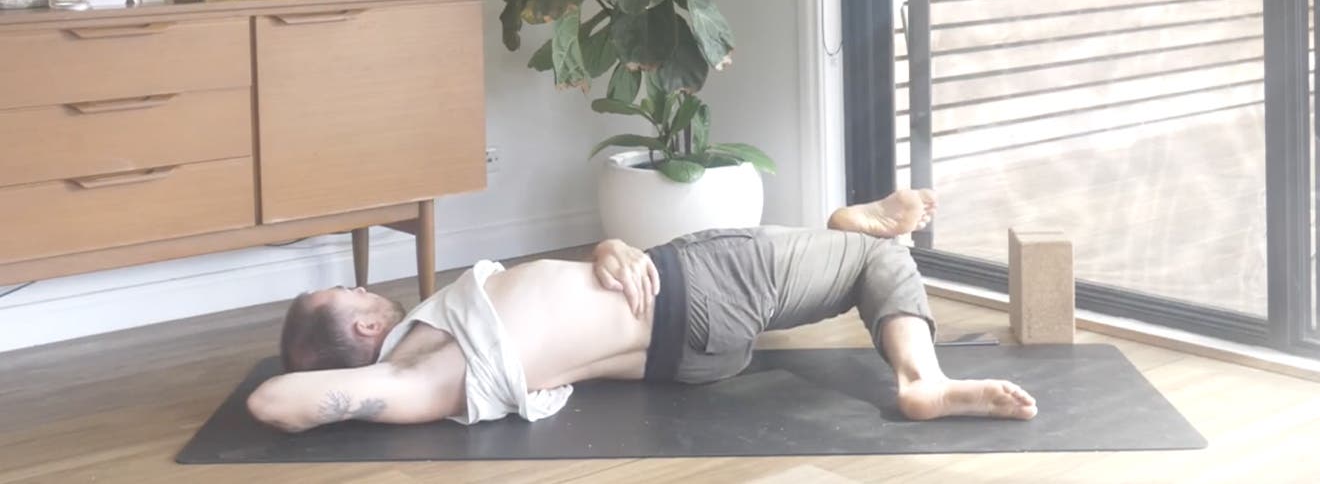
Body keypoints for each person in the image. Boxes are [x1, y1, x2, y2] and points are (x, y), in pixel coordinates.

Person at [248, 189, 1037, 433]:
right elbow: (272, 402)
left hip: (683, 345)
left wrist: (605, 247)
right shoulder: (419, 375)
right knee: (879, 260)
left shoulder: (434, 334)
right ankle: (922, 377)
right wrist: (374, 384)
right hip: (692, 288)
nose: (363, 288)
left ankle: (841, 231)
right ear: (364, 329)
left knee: (843, 258)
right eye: (349, 294)